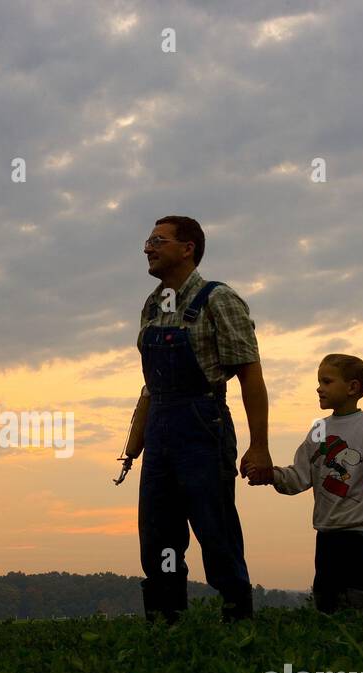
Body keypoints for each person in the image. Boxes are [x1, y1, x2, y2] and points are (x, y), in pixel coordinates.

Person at [136, 216, 272, 625]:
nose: (148, 247)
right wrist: (137, 438)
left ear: (188, 248)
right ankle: (165, 617)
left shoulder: (219, 299)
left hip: (203, 420)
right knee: (158, 532)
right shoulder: (152, 303)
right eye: (148, 240)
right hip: (160, 423)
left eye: (158, 240)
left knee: (215, 526)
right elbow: (147, 385)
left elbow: (251, 374)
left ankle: (236, 612)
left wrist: (259, 444)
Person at [253, 354, 363, 614]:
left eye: (327, 381)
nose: (319, 388)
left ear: (353, 388)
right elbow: (299, 477)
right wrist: (271, 475)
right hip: (326, 534)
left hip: (358, 535)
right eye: (319, 381)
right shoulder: (318, 429)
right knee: (327, 608)